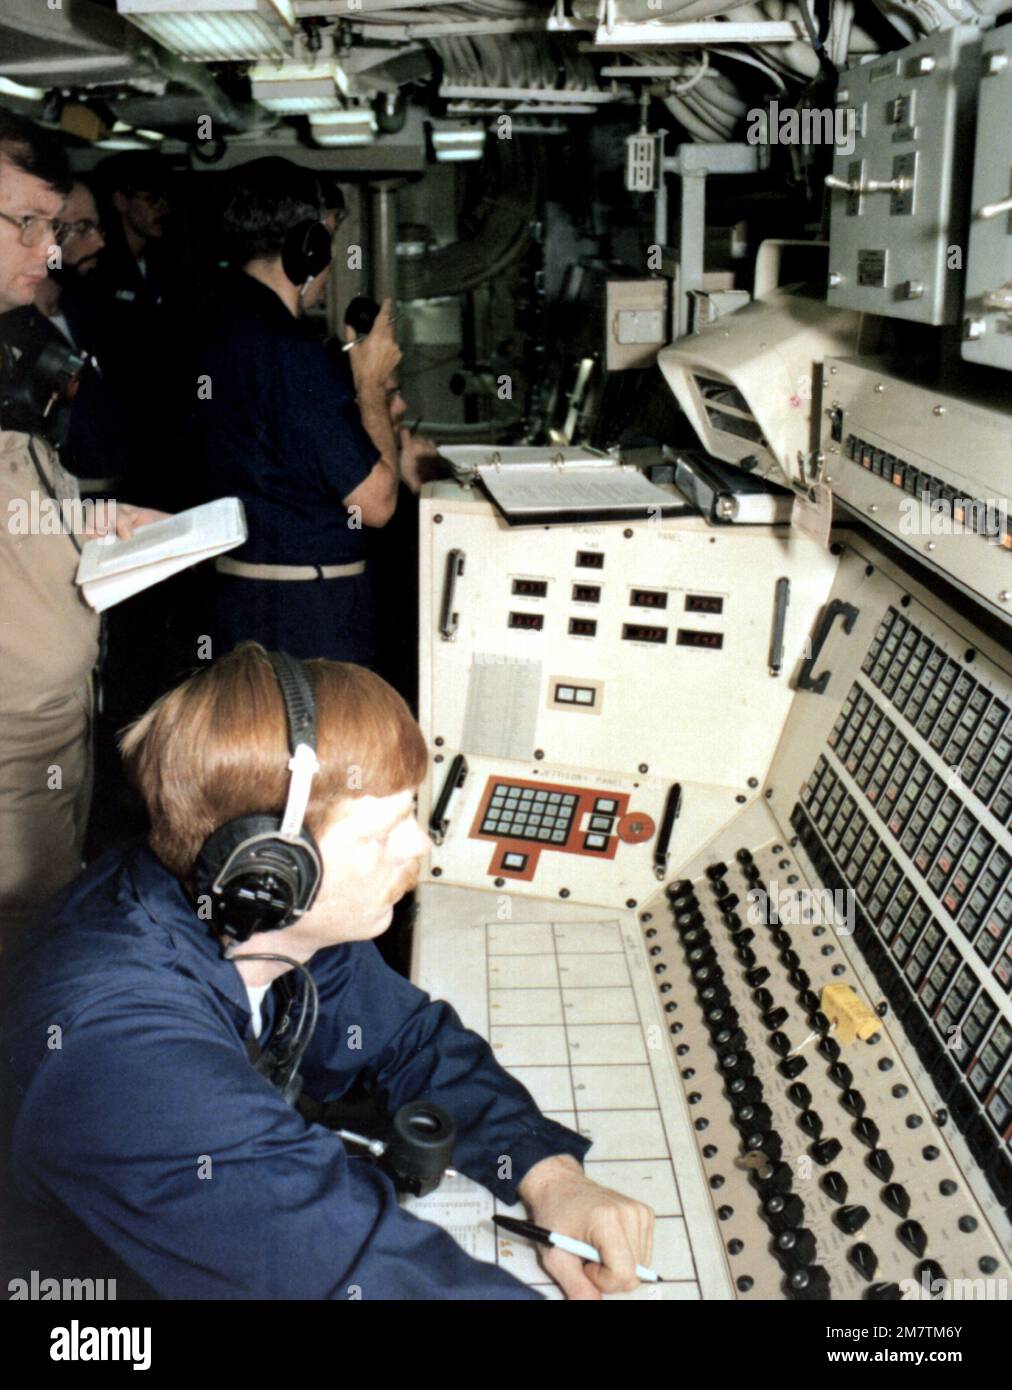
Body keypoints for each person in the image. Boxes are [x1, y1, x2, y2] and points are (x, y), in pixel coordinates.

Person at [2, 643, 654, 1299]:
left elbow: (412, 1040)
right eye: (384, 831)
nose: (422, 847)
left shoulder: (255, 912)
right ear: (272, 863)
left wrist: (550, 1176)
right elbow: (353, 1274)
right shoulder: (119, 1049)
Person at [0, 109, 165, 939]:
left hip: (55, 732)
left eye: (54, 226)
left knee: (45, 933)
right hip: (7, 746)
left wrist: (87, 519)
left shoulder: (11, 351)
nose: (49, 249)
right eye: (26, 223)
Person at [190, 157, 402, 667]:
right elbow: (377, 503)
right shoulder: (290, 352)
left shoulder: (215, 323)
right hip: (307, 615)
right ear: (307, 248)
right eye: (327, 241)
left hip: (242, 600)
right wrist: (371, 385)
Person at [2, 177, 129, 485]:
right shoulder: (11, 333)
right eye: (82, 228)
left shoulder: (95, 311)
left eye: (98, 228)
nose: (99, 242)